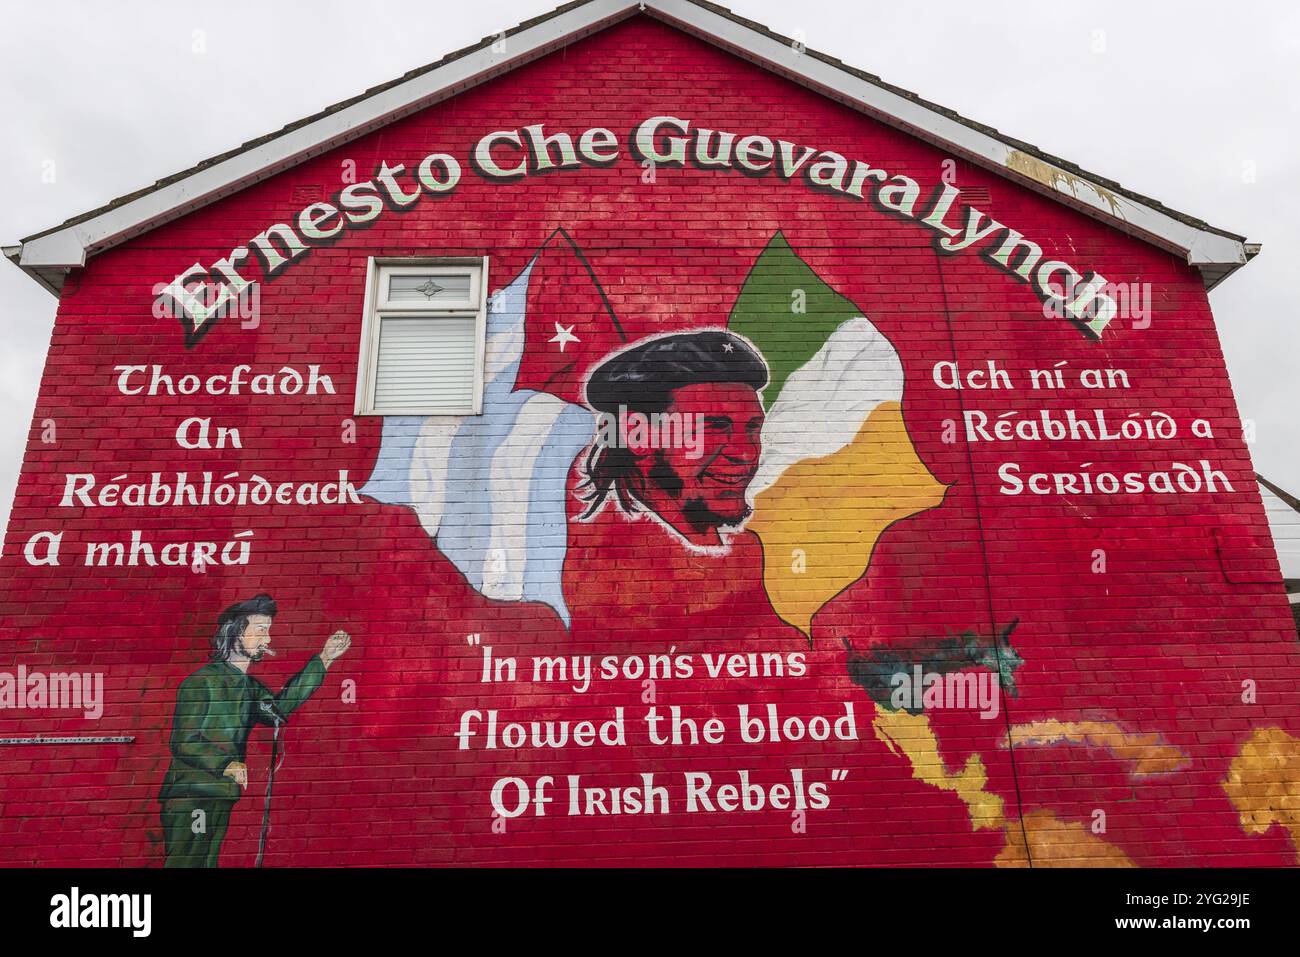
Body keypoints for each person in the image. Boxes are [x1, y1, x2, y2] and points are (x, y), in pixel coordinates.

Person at [157, 593, 350, 867]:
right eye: (260, 631)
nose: (268, 640)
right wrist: (227, 764)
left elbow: (279, 709)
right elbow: (184, 741)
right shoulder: (200, 683)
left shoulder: (249, 688)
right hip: (191, 797)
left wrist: (324, 659)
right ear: (236, 634)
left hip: (221, 794)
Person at [580, 330, 768, 550]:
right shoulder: (605, 550)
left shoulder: (746, 552)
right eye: (714, 427)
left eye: (752, 428)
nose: (746, 453)